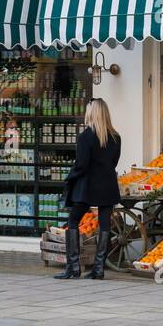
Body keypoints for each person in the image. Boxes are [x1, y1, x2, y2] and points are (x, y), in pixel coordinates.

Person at [56, 98, 122, 280]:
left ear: (91, 113)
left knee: (73, 220)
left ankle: (73, 267)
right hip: (107, 185)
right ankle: (98, 269)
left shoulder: (85, 137)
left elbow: (81, 165)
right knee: (105, 223)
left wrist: (69, 177)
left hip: (87, 186)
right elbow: (113, 162)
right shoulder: (116, 137)